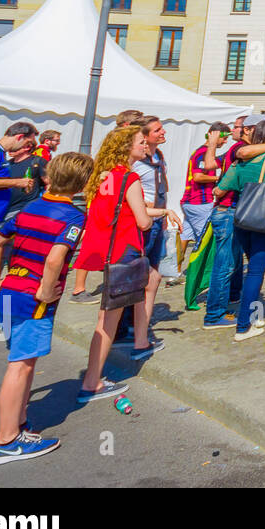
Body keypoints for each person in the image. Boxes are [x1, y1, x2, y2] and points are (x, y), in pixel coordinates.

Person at [0, 151, 94, 465]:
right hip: (32, 297)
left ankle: (17, 426)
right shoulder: (73, 216)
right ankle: (5, 441)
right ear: (82, 184)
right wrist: (46, 292)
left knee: (23, 364)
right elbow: (56, 258)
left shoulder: (30, 207)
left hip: (9, 291)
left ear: (50, 177)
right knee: (19, 366)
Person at [74, 125, 154, 403]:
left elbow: (113, 209)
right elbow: (142, 220)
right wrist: (154, 217)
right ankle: (91, 382)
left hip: (105, 250)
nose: (145, 146)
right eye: (141, 142)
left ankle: (94, 377)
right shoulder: (129, 177)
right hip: (125, 249)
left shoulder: (103, 176)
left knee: (108, 316)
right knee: (108, 320)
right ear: (125, 147)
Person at [213, 119, 265, 341]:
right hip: (263, 220)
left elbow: (219, 190)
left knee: (252, 269)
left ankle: (255, 315)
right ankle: (243, 326)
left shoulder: (240, 162)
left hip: (242, 219)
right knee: (256, 272)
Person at [126, 116, 183, 354]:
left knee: (154, 276)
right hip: (143, 221)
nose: (163, 132)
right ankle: (129, 328)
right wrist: (139, 200)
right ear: (145, 136)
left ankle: (139, 327)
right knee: (138, 276)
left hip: (158, 219)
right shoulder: (136, 161)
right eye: (158, 130)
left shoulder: (158, 155)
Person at [176, 123, 227, 279]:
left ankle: (175, 272)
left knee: (185, 236)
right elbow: (198, 176)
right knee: (204, 240)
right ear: (212, 135)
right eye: (223, 138)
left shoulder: (202, 152)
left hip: (190, 201)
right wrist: (220, 178)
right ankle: (201, 274)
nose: (224, 142)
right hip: (199, 201)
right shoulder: (203, 153)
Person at [0, 123, 37, 234]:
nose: (26, 147)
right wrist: (16, 182)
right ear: (19, 137)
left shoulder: (1, 153)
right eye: (27, 142)